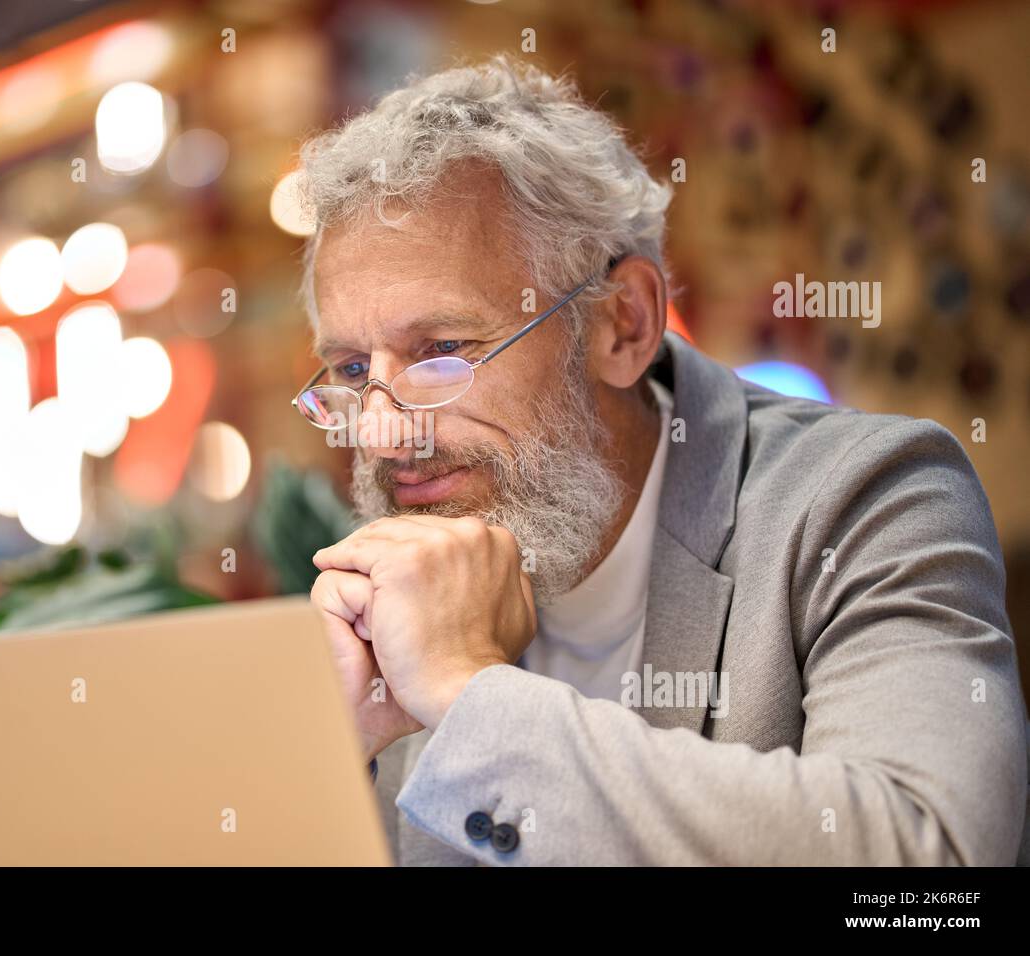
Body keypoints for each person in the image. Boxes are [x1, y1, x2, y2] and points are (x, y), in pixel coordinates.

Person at [291, 55, 1028, 865]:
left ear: (623, 325)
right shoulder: (374, 592)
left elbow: (936, 870)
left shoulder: (865, 496)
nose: (383, 436)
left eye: (443, 349)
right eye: (356, 372)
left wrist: (469, 695)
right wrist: (333, 763)